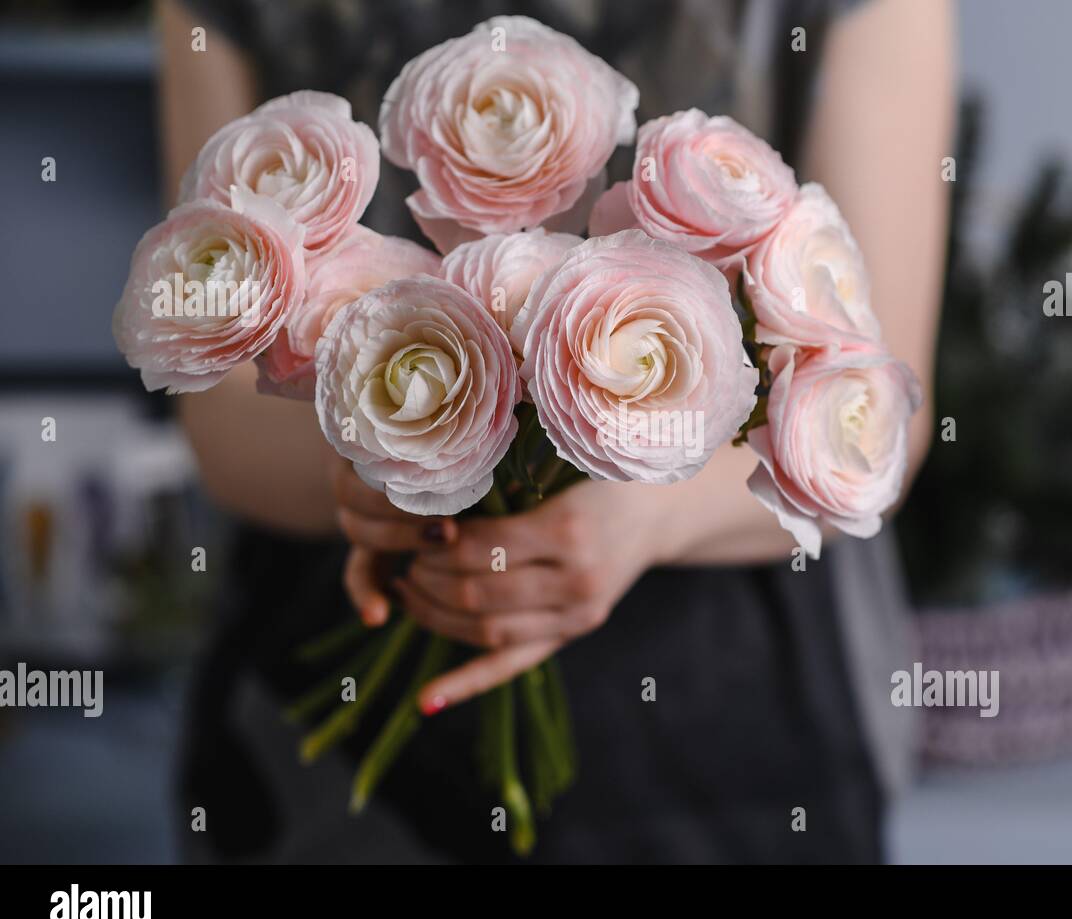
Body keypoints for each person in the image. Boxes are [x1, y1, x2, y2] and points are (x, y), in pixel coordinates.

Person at [162, 0, 952, 863]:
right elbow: (223, 418)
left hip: (724, 720)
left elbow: (876, 406)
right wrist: (385, 459)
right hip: (335, 700)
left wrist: (645, 511)